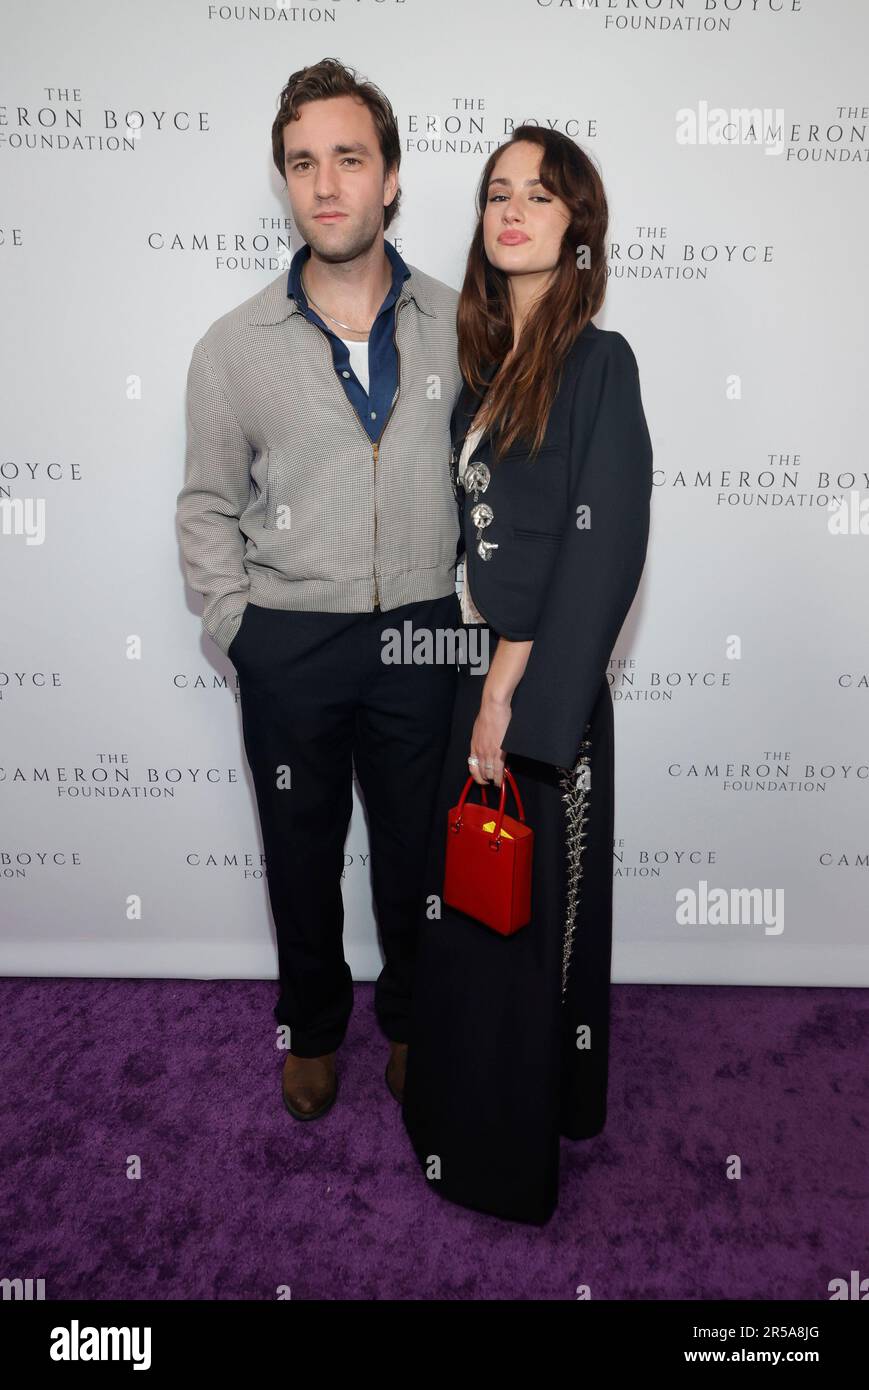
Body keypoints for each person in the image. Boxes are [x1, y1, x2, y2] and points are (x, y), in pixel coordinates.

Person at [175, 59, 464, 1121]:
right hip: (289, 638)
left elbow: (497, 487)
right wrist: (235, 625)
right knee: (297, 855)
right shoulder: (234, 345)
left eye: (349, 158)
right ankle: (309, 1025)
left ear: (390, 178)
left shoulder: (460, 323)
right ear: (285, 183)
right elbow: (205, 503)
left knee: (411, 855)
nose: (326, 183)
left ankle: (408, 1017)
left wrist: (471, 619)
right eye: (304, 163)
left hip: (427, 633)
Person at [401, 127, 654, 1224]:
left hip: (538, 694)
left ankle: (505, 1162)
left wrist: (513, 688)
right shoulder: (483, 375)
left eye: (538, 196)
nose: (511, 211)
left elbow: (600, 547)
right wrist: (464, 674)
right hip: (473, 678)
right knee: (474, 906)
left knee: (525, 920)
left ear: (575, 225)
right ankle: (471, 1114)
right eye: (495, 194)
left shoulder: (600, 362)